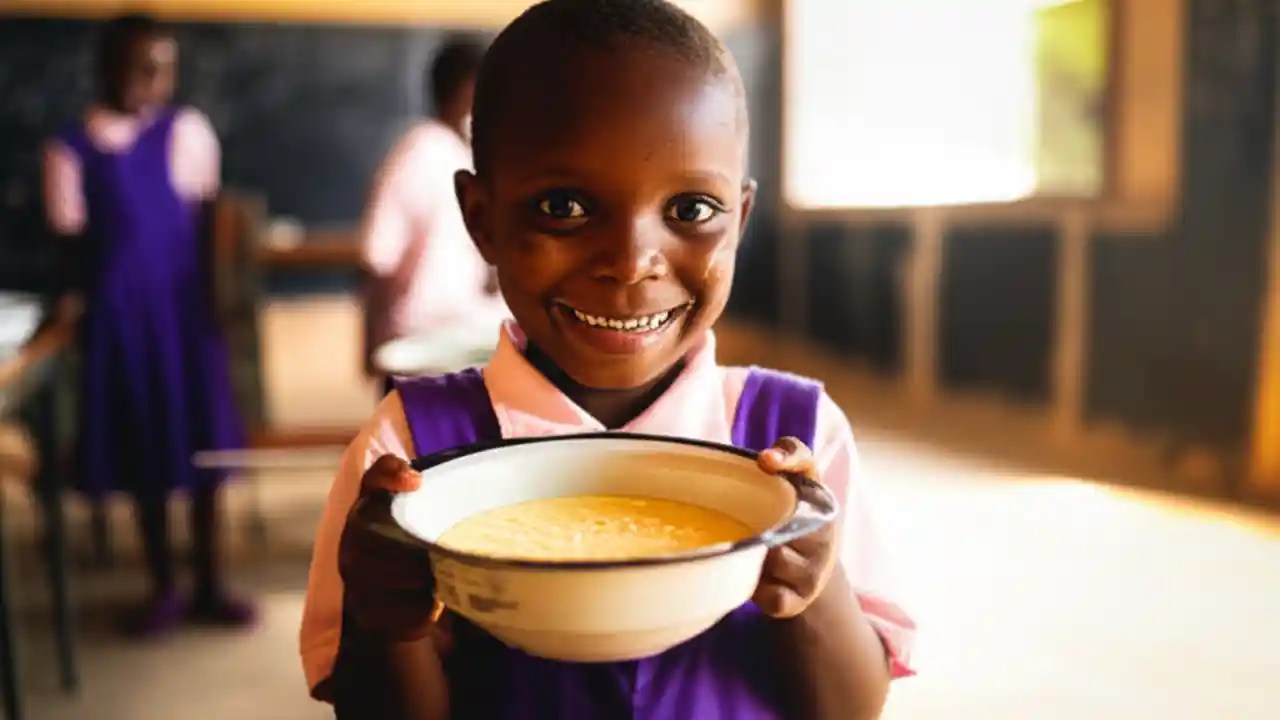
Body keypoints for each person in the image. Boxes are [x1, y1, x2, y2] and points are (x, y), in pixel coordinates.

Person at [301, 1, 915, 717]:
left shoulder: (799, 442)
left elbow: (851, 709)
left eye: (690, 210)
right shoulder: (409, 455)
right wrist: (389, 623)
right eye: (564, 206)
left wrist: (814, 584)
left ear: (740, 221)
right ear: (482, 219)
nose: (629, 263)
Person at [43, 14, 253, 637]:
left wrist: (219, 306)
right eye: (140, 66)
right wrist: (73, 307)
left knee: (201, 445)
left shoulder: (185, 132)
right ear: (107, 67)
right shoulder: (71, 147)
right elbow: (73, 243)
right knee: (144, 446)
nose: (152, 81)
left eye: (163, 69)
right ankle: (162, 582)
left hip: (185, 314)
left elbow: (211, 224)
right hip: (121, 320)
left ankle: (210, 581)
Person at [360, 37, 504, 395]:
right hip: (421, 353)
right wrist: (370, 344)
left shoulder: (470, 155)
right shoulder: (419, 154)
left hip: (473, 346)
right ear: (463, 89)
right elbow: (378, 260)